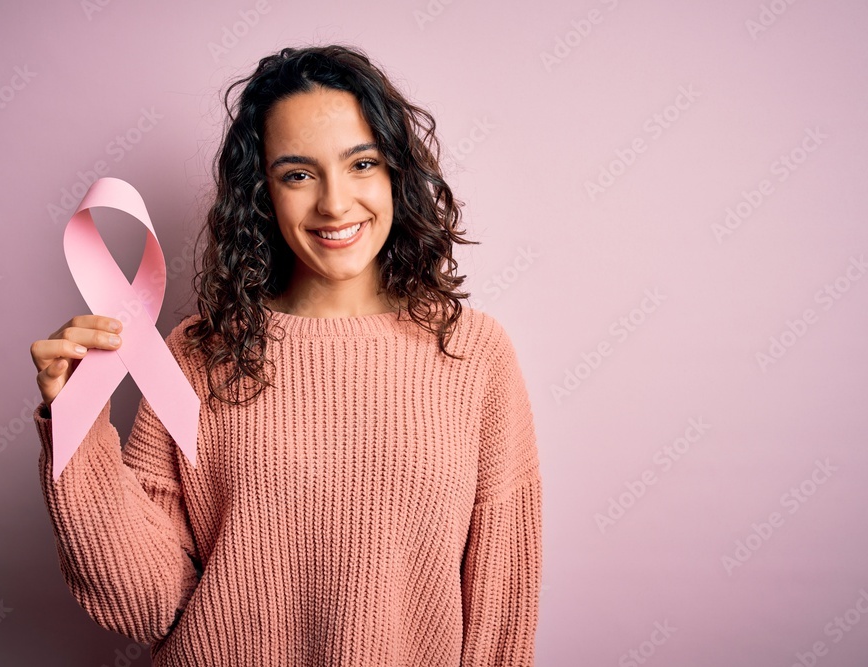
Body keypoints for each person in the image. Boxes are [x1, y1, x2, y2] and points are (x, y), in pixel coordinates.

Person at [29, 44, 542, 666]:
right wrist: (77, 424)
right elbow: (148, 604)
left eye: (362, 163)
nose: (333, 202)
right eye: (298, 174)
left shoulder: (473, 353)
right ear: (263, 193)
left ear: (397, 174)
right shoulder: (198, 353)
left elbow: (499, 604)